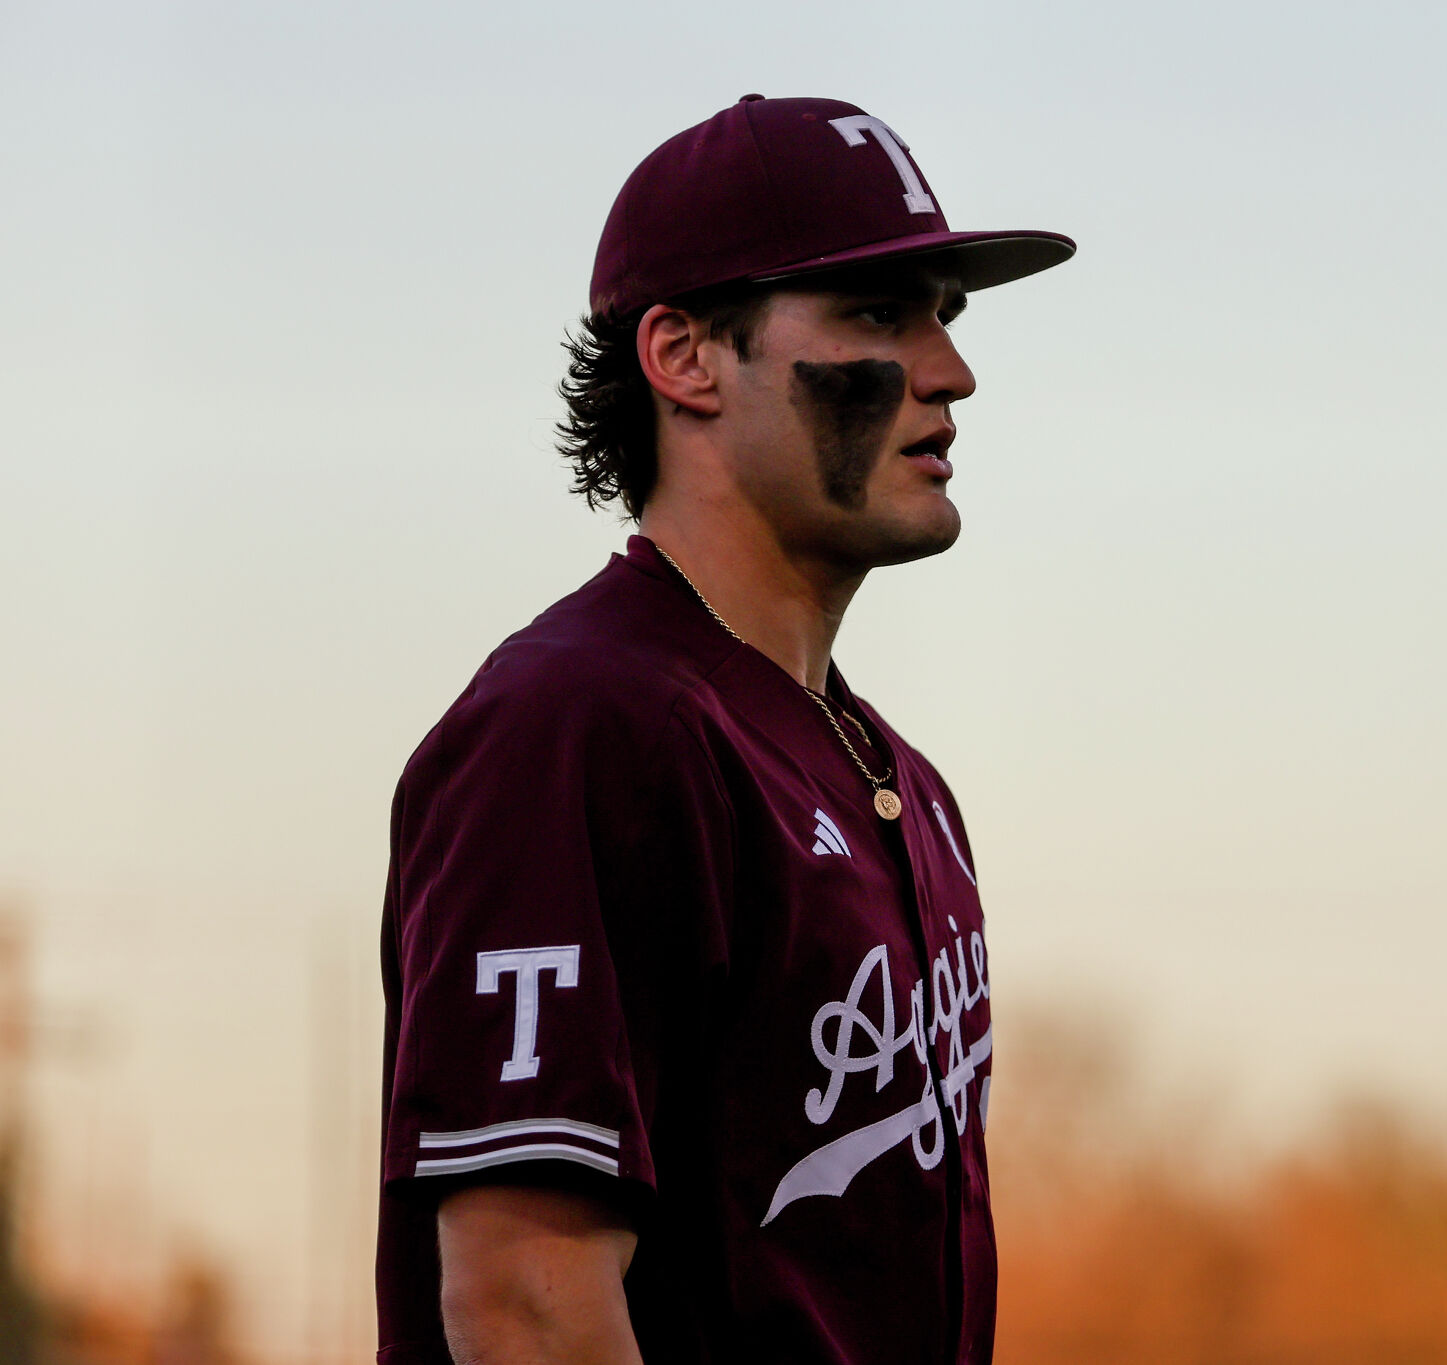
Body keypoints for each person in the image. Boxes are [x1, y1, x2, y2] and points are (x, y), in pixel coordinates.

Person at [373, 95, 1073, 1364]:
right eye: (877, 312)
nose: (951, 371)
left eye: (944, 316)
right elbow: (524, 1296)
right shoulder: (577, 723)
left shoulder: (901, 779)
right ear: (685, 356)